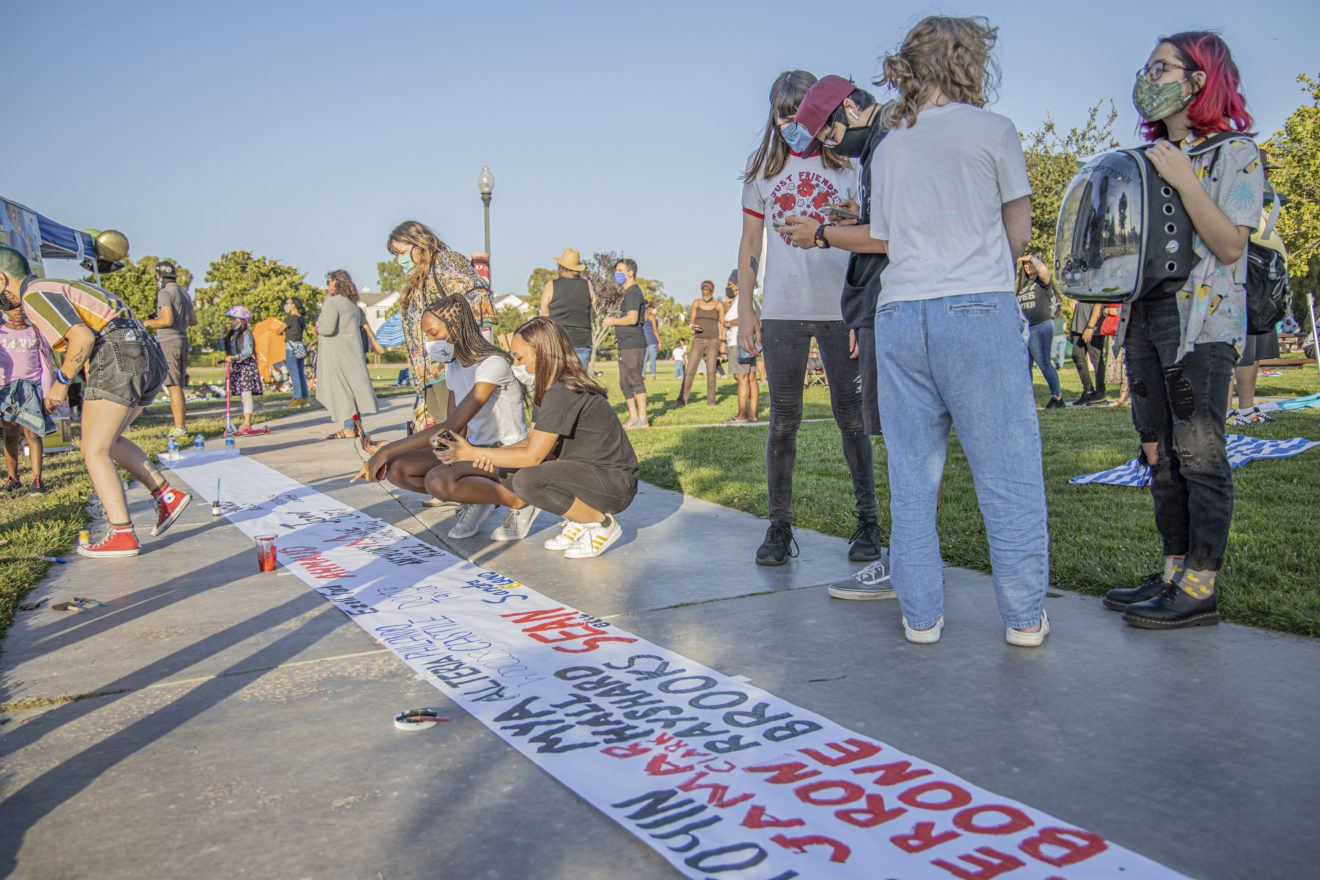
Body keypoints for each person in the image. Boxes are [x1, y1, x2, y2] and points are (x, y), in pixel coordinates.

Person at [864, 16, 1049, 645]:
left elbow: (884, 238)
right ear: (969, 62)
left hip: (899, 312)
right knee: (1007, 470)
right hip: (975, 305)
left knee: (913, 477)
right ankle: (1024, 616)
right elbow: (1017, 233)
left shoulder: (889, 147)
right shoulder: (994, 131)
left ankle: (921, 617)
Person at [1101, 32, 1262, 629]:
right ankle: (1173, 571)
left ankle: (1201, 585)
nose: (1148, 77)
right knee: (1159, 453)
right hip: (1146, 315)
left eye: (1161, 67)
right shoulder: (1143, 159)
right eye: (1147, 67)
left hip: (1201, 320)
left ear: (1198, 80)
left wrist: (1184, 175)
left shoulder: (1235, 152)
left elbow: (1228, 242)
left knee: (1199, 451)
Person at [736, 70, 881, 568]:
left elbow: (874, 233)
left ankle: (869, 523)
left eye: (801, 115)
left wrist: (865, 315)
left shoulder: (849, 161)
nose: (792, 124)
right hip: (782, 311)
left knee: (852, 420)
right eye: (783, 115)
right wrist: (745, 307)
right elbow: (750, 243)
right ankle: (779, 528)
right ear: (773, 116)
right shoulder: (762, 173)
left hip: (840, 309)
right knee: (783, 423)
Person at [0, 246, 190, 557]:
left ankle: (122, 534)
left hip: (116, 352)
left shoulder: (33, 294)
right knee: (109, 440)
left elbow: (83, 337)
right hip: (145, 352)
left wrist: (61, 383)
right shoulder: (60, 285)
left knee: (93, 448)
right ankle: (165, 494)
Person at [780, 75, 893, 594]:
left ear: (852, 106)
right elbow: (885, 223)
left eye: (828, 132)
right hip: (871, 307)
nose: (828, 144)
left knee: (898, 440)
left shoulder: (891, 145)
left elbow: (894, 235)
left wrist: (824, 233)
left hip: (890, 308)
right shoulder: (879, 150)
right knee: (898, 439)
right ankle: (910, 557)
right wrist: (855, 218)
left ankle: (899, 553)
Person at [436, 316, 639, 559]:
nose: (515, 365)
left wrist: (472, 453)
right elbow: (530, 441)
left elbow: (533, 456)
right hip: (586, 473)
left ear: (545, 354)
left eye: (520, 358)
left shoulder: (563, 391)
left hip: (614, 484)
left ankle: (601, 524)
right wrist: (493, 455)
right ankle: (579, 519)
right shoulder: (548, 389)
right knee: (508, 471)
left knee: (527, 480)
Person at [354, 293, 530, 539]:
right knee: (399, 470)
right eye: (426, 335)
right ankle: (478, 497)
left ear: (456, 328)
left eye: (433, 334)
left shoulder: (493, 364)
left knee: (437, 481)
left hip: (506, 455)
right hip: (473, 450)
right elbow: (452, 433)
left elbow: (453, 422)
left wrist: (389, 449)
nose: (429, 342)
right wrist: (396, 452)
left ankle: (519, 500)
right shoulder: (453, 366)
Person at [386, 221, 495, 432]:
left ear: (418, 245)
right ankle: (445, 461)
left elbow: (476, 297)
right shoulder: (418, 276)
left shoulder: (445, 262)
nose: (400, 259)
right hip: (429, 371)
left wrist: (465, 347)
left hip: (449, 365)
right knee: (444, 429)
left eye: (402, 252)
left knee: (459, 428)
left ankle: (466, 462)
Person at [0, 303, 57, 495]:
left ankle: (37, 479)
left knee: (33, 433)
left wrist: (47, 394)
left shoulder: (35, 331)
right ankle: (13, 478)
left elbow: (46, 364)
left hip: (31, 388)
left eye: (21, 307)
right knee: (10, 434)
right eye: (12, 307)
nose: (18, 311)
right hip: (6, 389)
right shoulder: (1, 332)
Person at [315, 272, 378, 441]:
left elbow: (327, 328)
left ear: (337, 283)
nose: (329, 286)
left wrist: (317, 328)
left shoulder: (333, 302)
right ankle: (357, 427)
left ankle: (349, 428)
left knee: (342, 392)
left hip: (336, 354)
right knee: (351, 391)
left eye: (330, 282)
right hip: (352, 352)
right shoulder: (352, 305)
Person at [140, 260, 195, 438]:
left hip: (168, 341)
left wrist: (147, 322)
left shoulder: (164, 293)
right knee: (175, 384)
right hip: (182, 339)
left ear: (158, 276)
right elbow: (193, 320)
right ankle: (179, 426)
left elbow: (167, 320)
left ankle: (179, 428)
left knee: (173, 386)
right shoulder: (184, 293)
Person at [601, 258, 648, 429]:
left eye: (620, 270)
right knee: (624, 382)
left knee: (635, 379)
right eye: (616, 270)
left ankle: (643, 419)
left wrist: (613, 321)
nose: (617, 274)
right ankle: (633, 418)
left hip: (634, 344)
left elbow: (632, 318)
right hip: (625, 343)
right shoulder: (627, 294)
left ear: (630, 273)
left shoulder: (633, 293)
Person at [1016, 252, 1064, 408]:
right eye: (1025, 265)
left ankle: (1057, 398)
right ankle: (1027, 400)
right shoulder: (1022, 286)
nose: (1028, 266)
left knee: (1043, 363)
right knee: (1025, 366)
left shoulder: (1042, 282)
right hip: (1026, 330)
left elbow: (1043, 271)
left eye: (1030, 263)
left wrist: (1028, 257)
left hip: (1041, 326)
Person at [540, 248, 596, 368]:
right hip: (582, 340)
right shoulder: (587, 285)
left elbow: (544, 314)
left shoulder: (551, 285)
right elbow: (592, 313)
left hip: (558, 340)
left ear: (561, 267)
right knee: (580, 382)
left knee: (558, 381)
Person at [677, 281, 725, 407]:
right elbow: (692, 321)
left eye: (708, 293)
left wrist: (722, 341)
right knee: (690, 370)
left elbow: (722, 324)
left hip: (713, 340)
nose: (705, 295)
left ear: (712, 292)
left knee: (710, 371)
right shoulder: (696, 303)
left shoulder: (718, 305)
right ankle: (681, 400)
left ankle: (711, 402)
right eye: (703, 293)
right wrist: (692, 328)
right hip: (698, 340)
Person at [724, 271, 760, 422]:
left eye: (730, 284)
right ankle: (752, 414)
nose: (728, 287)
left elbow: (746, 317)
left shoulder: (742, 299)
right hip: (748, 341)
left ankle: (741, 415)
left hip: (738, 341)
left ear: (738, 285)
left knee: (742, 378)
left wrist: (728, 323)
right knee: (751, 378)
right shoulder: (752, 299)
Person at [222, 306, 263, 434]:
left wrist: (235, 357)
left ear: (241, 321)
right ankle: (244, 419)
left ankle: (247, 422)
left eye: (233, 319)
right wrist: (221, 334)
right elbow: (221, 346)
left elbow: (247, 351)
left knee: (246, 394)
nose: (231, 322)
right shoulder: (232, 335)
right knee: (241, 395)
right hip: (237, 366)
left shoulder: (246, 334)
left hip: (245, 365)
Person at [1068, 299, 1108, 404]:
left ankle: (1100, 393)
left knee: (1096, 360)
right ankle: (1088, 391)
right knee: (1076, 355)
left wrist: (1090, 326)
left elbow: (1099, 304)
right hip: (1079, 324)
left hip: (1093, 327)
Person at [281, 296, 310, 407]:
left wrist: (283, 332)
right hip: (300, 345)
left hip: (291, 346)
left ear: (293, 305)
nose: (286, 305)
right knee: (300, 373)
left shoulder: (290, 318)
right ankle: (304, 398)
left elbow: (279, 329)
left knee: (294, 373)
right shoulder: (301, 318)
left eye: (288, 303)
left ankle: (297, 398)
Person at [642, 301, 660, 378]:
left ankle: (643, 375)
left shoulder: (641, 316)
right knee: (652, 360)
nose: (654, 309)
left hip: (643, 340)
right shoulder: (652, 317)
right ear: (649, 308)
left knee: (643, 360)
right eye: (653, 308)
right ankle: (653, 375)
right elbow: (655, 330)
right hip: (652, 340)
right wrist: (659, 341)